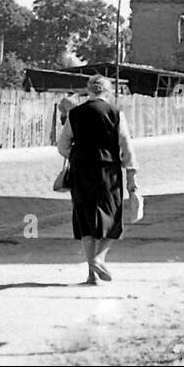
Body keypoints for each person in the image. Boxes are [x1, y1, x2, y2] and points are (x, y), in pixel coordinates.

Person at [56, 74, 137, 285]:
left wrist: (77, 154)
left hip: (81, 171)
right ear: (107, 92)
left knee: (85, 218)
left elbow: (63, 146)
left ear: (89, 91)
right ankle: (99, 258)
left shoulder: (75, 114)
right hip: (108, 171)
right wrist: (131, 172)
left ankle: (91, 273)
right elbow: (126, 144)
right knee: (113, 216)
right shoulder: (115, 113)